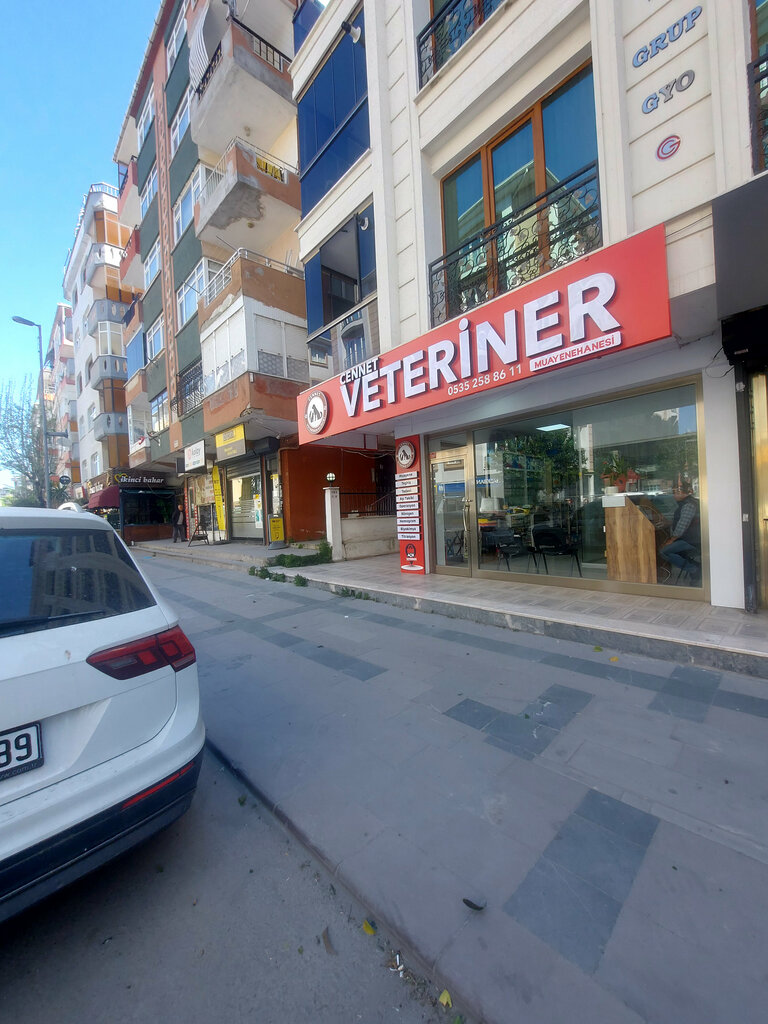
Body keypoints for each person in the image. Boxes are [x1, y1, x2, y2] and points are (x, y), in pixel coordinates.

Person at [659, 477, 700, 584]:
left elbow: (683, 526)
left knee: (664, 551)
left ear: (686, 493)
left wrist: (671, 540)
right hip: (689, 539)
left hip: (691, 541)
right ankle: (695, 566)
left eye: (677, 492)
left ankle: (694, 569)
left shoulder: (688, 505)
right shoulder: (689, 503)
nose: (674, 495)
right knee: (671, 551)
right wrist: (670, 523)